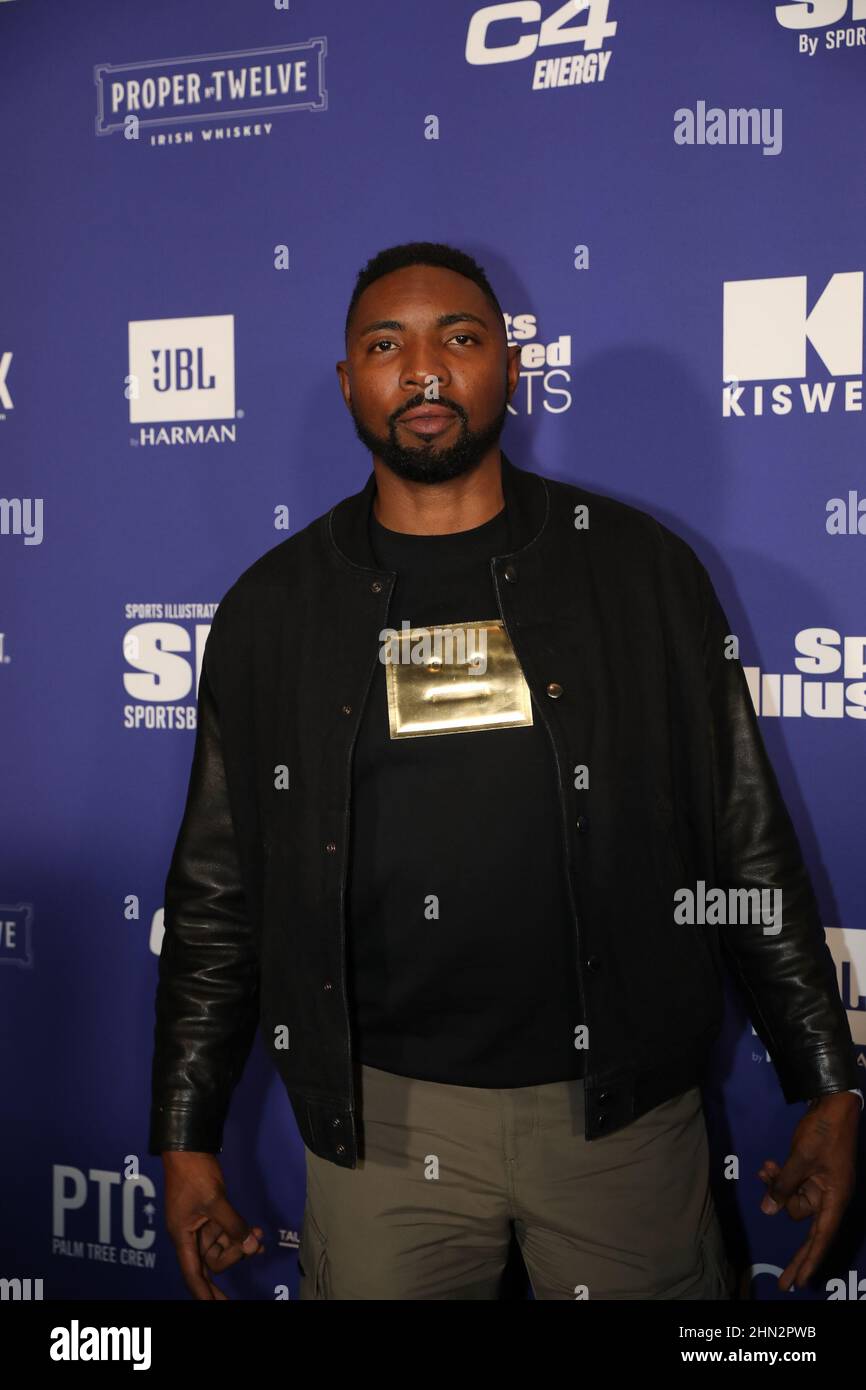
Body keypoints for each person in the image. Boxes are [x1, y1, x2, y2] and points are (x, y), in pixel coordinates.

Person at [149, 241, 862, 1301]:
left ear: (511, 369)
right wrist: (185, 1132)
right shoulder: (273, 610)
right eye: (386, 345)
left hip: (620, 1122)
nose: (424, 372)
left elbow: (738, 831)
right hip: (380, 1129)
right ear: (348, 381)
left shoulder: (636, 569)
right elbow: (217, 895)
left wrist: (822, 1078)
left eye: (460, 339)